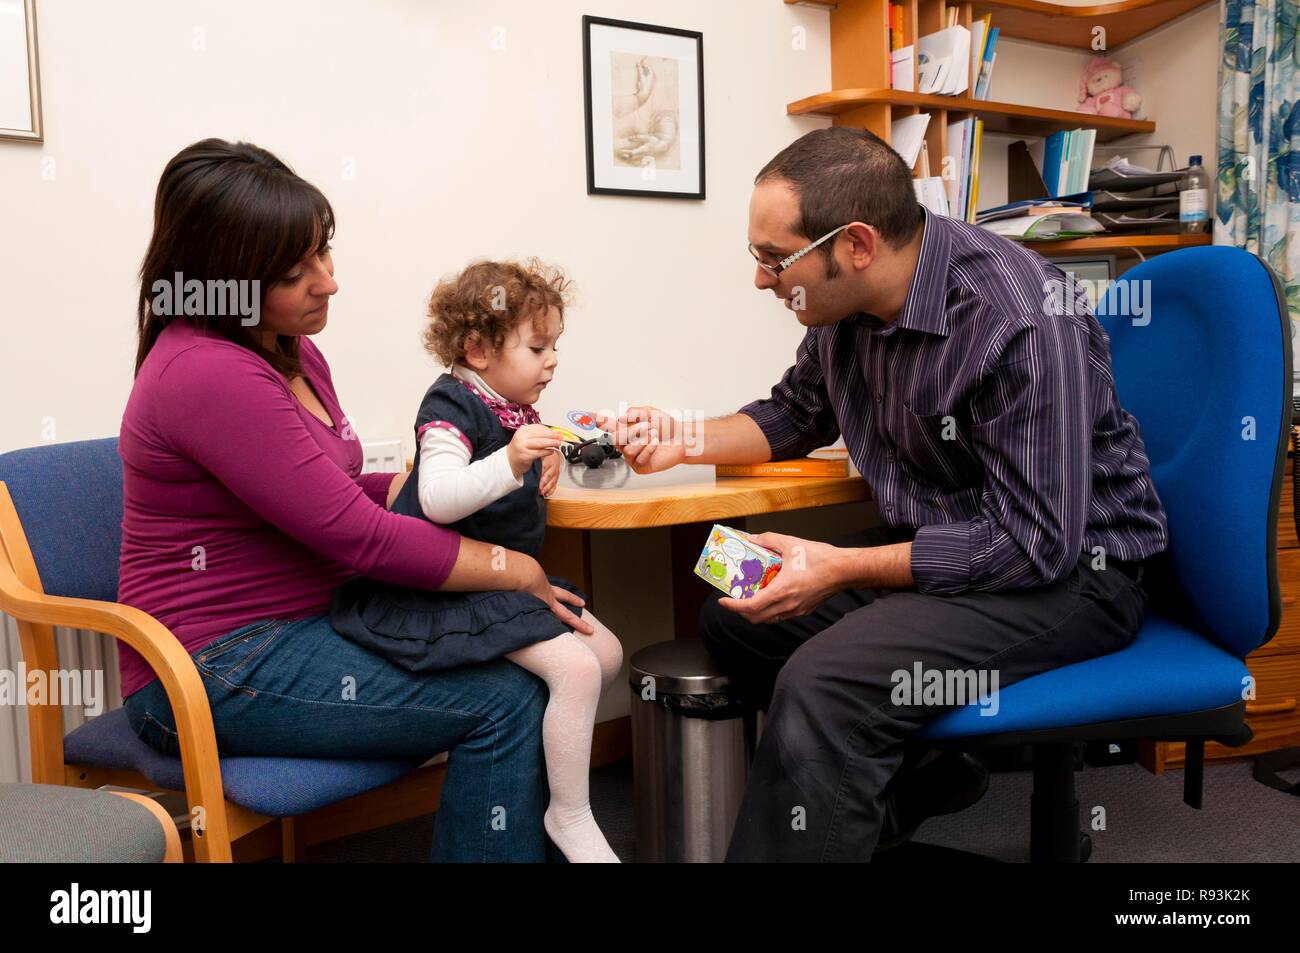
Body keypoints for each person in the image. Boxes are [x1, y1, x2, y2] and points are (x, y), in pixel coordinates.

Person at [599, 126, 1169, 862]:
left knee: (823, 682)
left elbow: (1034, 543)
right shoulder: (844, 313)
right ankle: (921, 775)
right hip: (966, 552)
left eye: (776, 259)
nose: (762, 280)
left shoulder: (1017, 316)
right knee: (738, 609)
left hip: (1074, 575)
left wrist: (842, 566)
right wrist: (684, 437)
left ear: (857, 245)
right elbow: (794, 414)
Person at [119, 139, 577, 862]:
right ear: (224, 280)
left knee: (538, 659)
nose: (329, 282)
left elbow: (320, 489)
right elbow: (360, 538)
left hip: (310, 623)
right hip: (211, 665)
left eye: (324, 253)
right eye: (298, 271)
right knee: (505, 698)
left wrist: (436, 478)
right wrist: (511, 567)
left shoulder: (291, 349)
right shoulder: (205, 372)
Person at [331, 258, 624, 863]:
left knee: (606, 653)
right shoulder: (450, 407)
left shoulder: (513, 409)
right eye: (538, 346)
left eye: (555, 346)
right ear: (477, 349)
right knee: (575, 670)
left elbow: (505, 473)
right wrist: (512, 462)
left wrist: (543, 458)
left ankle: (541, 790)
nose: (553, 361)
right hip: (442, 590)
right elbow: (438, 499)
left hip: (498, 585)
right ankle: (570, 815)